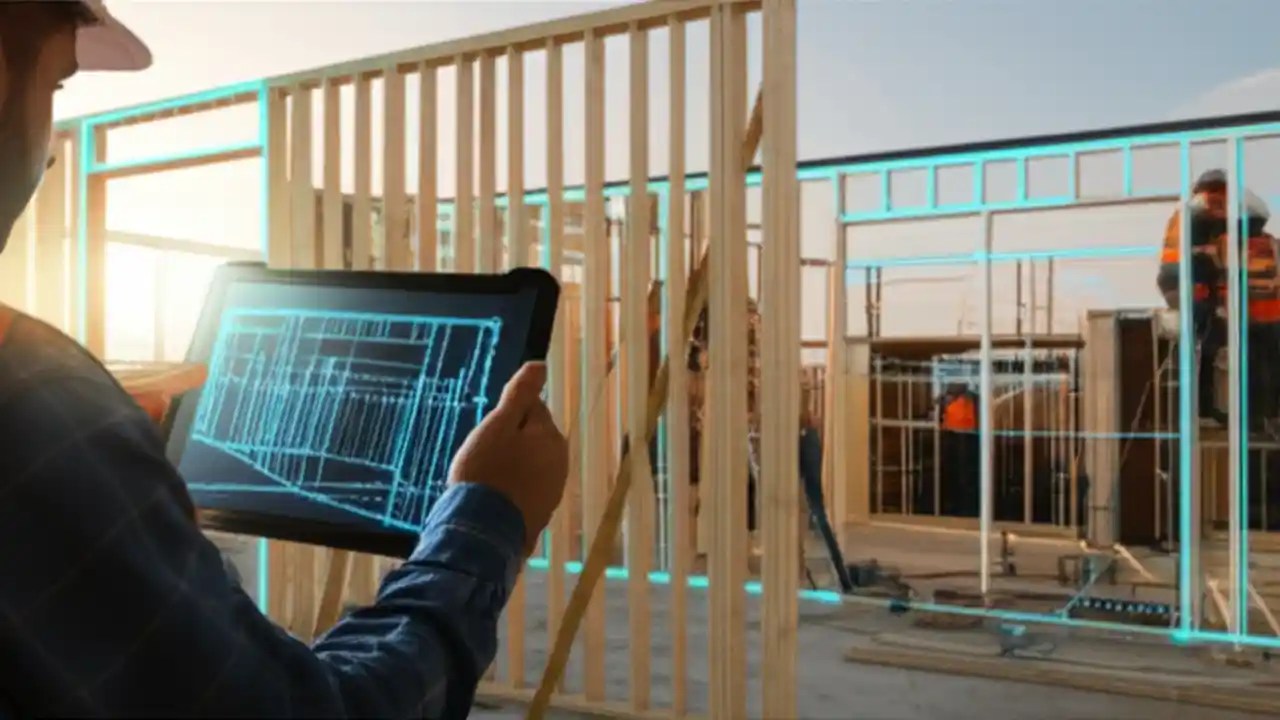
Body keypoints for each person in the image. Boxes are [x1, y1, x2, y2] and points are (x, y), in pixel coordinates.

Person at [0, 3, 568, 717]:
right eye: (55, 87)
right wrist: (489, 516)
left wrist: (88, 431)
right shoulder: (27, 399)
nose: (50, 150)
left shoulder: (42, 404)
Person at [1157, 169, 1230, 426]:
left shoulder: (1196, 215)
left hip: (1190, 284)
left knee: (1210, 338)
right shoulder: (1197, 215)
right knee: (1197, 339)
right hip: (1184, 284)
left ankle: (1203, 406)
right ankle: (1188, 406)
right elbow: (1205, 258)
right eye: (1220, 196)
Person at [937, 380, 979, 517]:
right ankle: (963, 507)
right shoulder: (972, 400)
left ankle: (960, 507)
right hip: (966, 439)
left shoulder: (960, 403)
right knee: (964, 476)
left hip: (960, 439)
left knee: (960, 476)